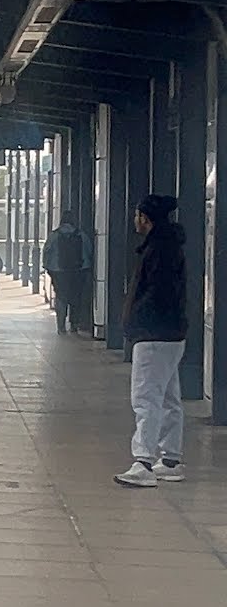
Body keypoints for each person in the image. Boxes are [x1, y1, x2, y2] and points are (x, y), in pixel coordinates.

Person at [114, 195, 188, 488]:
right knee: (169, 398)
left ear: (145, 218)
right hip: (172, 334)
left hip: (153, 334)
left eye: (137, 216)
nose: (135, 221)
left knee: (145, 398)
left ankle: (143, 461)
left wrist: (137, 322)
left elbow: (153, 293)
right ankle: (170, 460)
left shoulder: (156, 251)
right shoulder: (170, 247)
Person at [43, 210, 93, 334]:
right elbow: (89, 251)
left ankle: (61, 325)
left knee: (61, 297)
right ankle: (74, 324)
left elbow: (47, 251)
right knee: (76, 297)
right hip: (78, 270)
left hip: (59, 271)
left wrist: (48, 268)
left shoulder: (54, 235)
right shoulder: (81, 235)